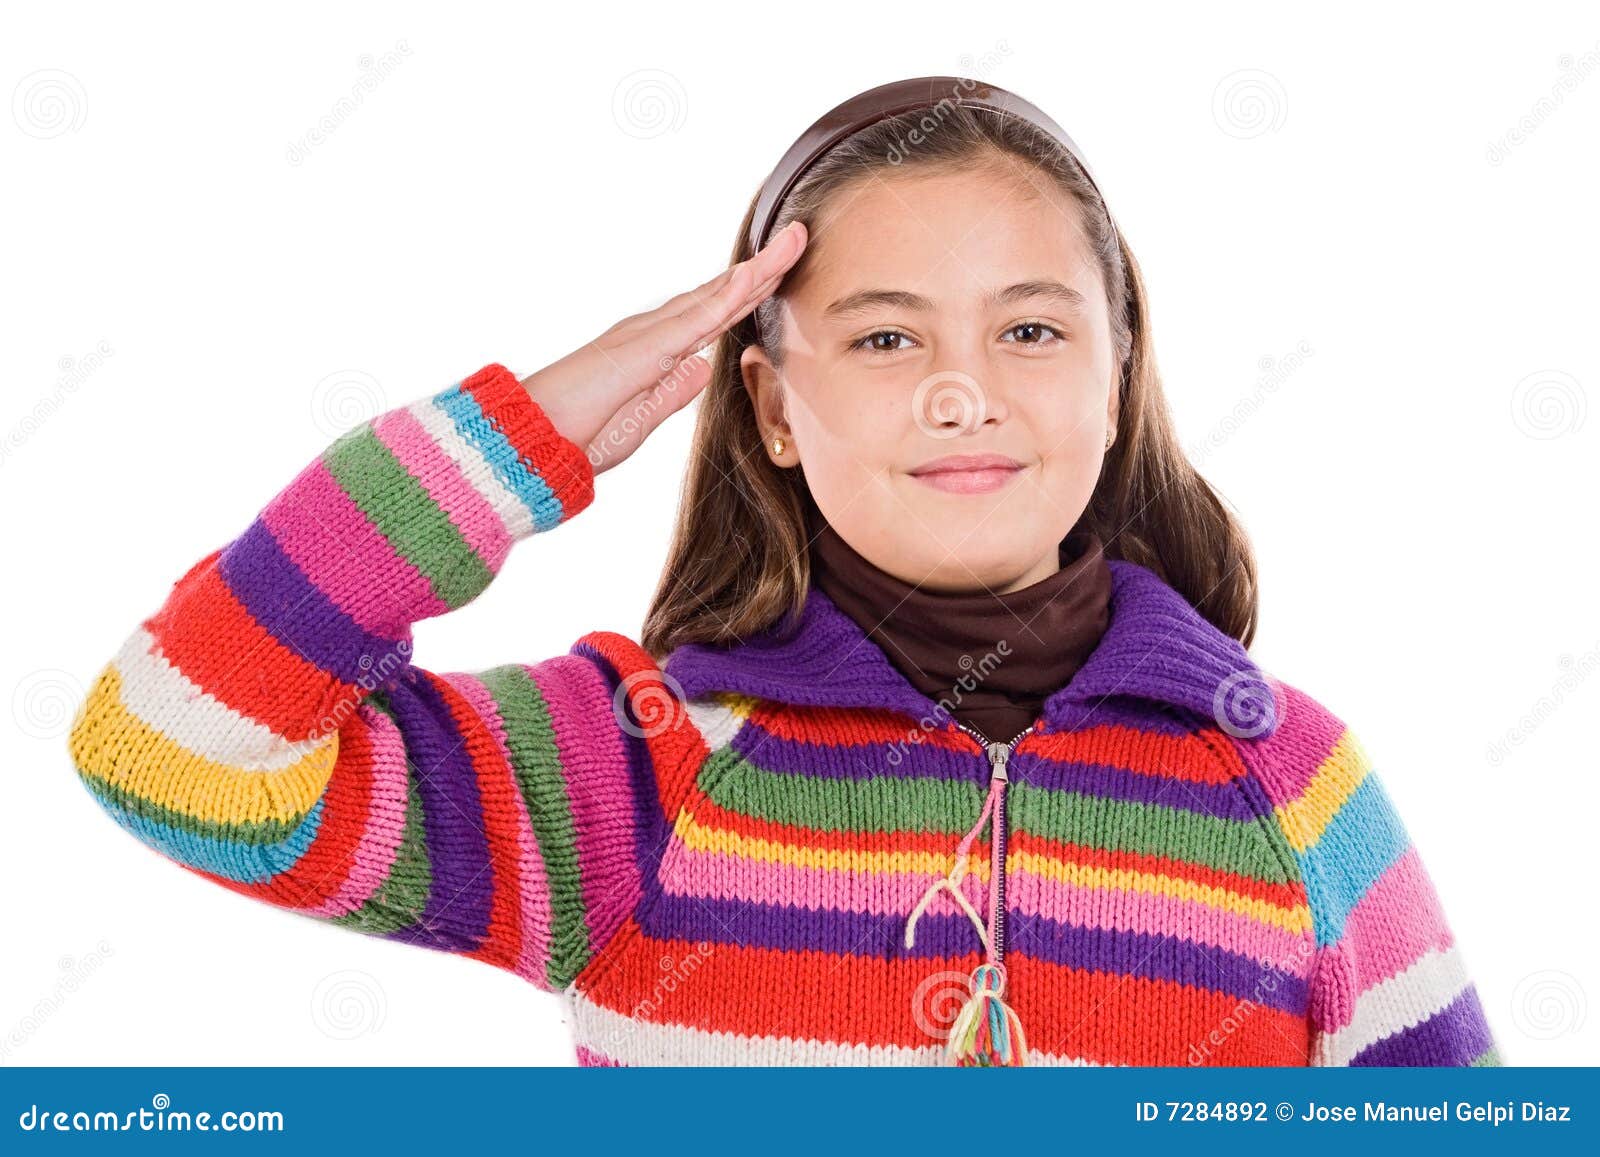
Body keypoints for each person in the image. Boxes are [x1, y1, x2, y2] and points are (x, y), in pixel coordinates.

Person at [64, 76, 1499, 1067]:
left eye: (1032, 331)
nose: (961, 391)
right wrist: (519, 439)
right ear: (766, 407)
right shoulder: (641, 771)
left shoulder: (1294, 789)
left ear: (1120, 377)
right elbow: (177, 747)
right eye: (885, 337)